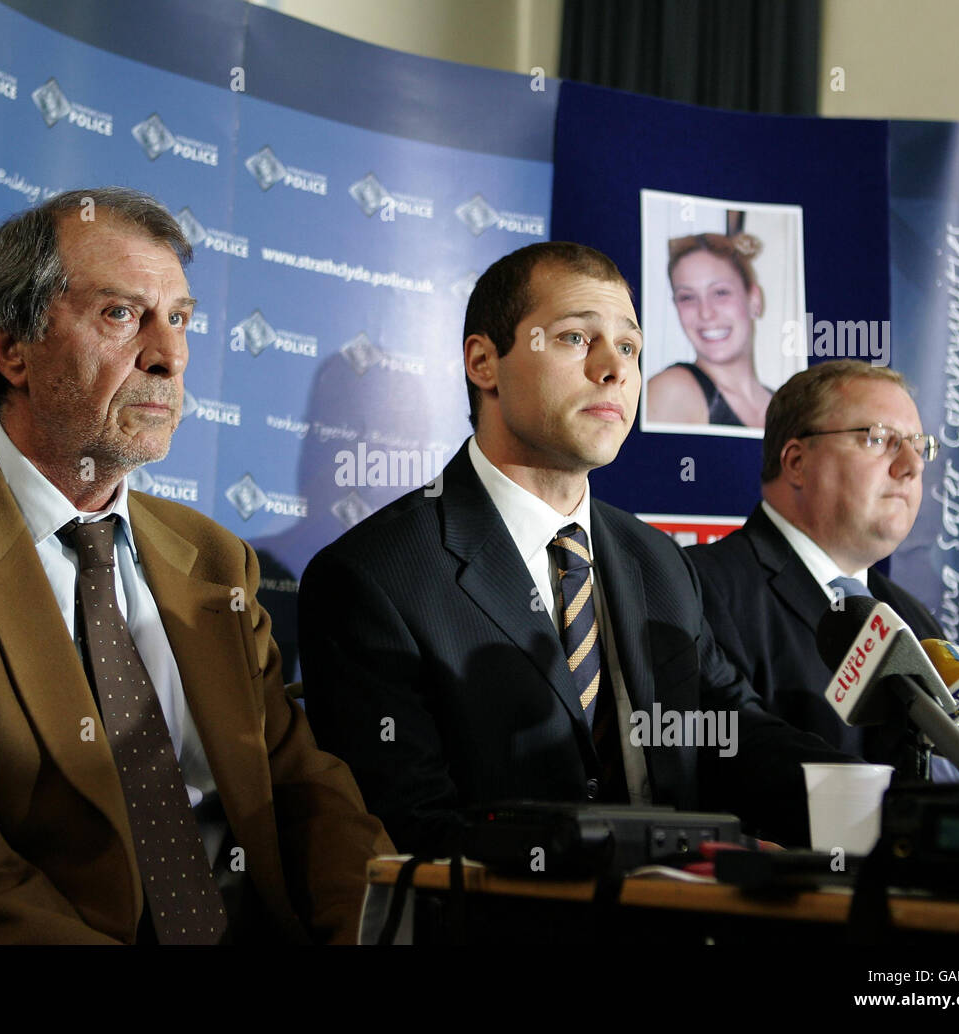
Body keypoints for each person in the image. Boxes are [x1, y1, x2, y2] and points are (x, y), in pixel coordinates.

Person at [0, 187, 391, 944]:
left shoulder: (213, 559)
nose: (169, 356)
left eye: (181, 319)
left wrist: (376, 929)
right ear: (11, 348)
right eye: (121, 314)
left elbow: (303, 793)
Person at [298, 241, 851, 859]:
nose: (613, 368)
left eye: (630, 347)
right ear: (484, 362)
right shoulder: (373, 578)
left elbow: (733, 733)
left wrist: (884, 803)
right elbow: (411, 829)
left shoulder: (660, 563)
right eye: (574, 339)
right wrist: (648, 862)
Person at [686, 360, 945, 774]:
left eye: (920, 445)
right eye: (879, 439)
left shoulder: (916, 623)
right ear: (796, 462)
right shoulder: (702, 587)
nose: (911, 465)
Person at [645, 232, 771, 428]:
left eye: (720, 292)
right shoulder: (672, 391)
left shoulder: (786, 405)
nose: (705, 313)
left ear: (754, 300)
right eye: (687, 297)